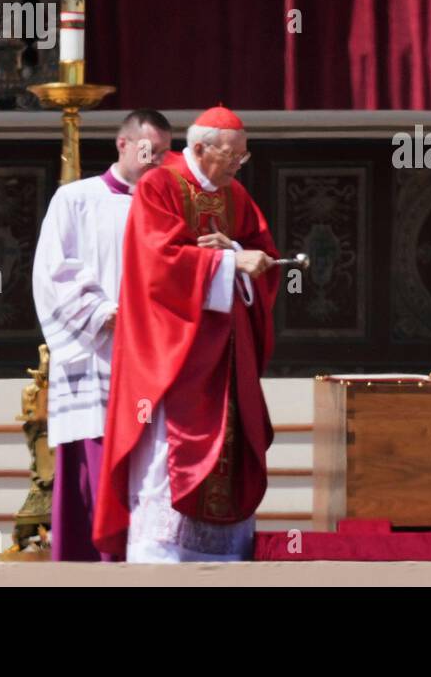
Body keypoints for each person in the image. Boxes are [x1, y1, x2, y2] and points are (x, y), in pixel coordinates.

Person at [93, 105, 280, 562]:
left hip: (228, 356)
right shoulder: (159, 184)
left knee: (228, 446)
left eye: (243, 156)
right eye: (232, 154)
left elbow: (263, 256)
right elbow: (157, 266)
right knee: (167, 455)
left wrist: (236, 251)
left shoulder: (234, 194)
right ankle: (161, 550)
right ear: (199, 148)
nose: (239, 163)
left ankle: (219, 551)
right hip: (172, 351)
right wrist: (228, 262)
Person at [32, 108, 173, 561]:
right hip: (98, 351)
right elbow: (52, 270)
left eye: (165, 154)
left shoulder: (169, 207)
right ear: (123, 144)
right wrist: (98, 313)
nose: (157, 161)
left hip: (152, 356)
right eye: (150, 150)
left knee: (147, 462)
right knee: (95, 460)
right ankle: (93, 559)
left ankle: (144, 553)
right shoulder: (75, 199)